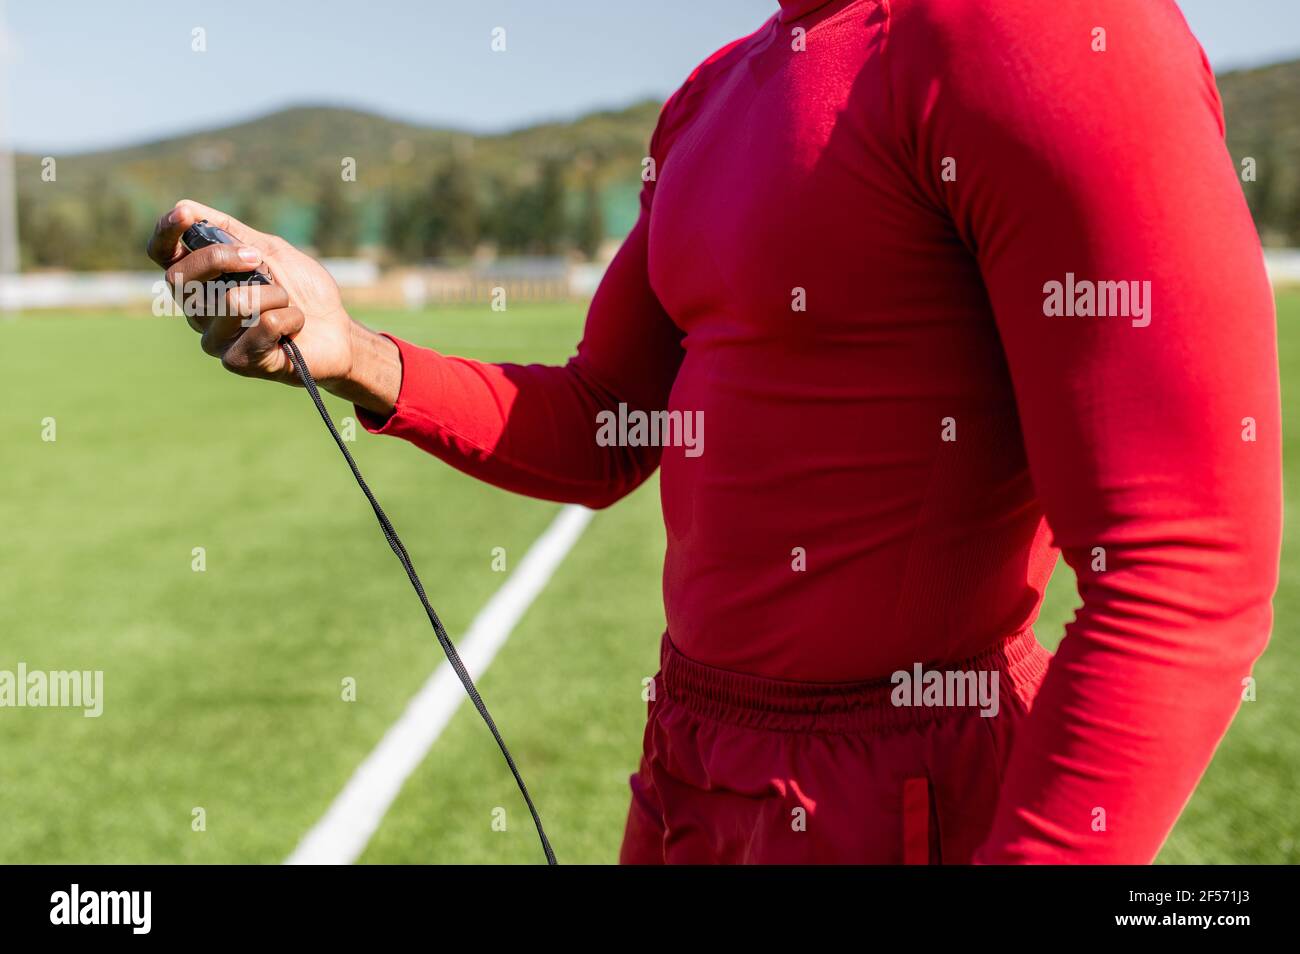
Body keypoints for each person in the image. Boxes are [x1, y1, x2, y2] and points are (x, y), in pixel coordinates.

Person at [147, 0, 1281, 864]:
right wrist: (355, 351)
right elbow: (606, 422)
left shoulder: (1046, 33)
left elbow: (1183, 576)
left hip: (909, 797)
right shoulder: (718, 89)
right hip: (692, 775)